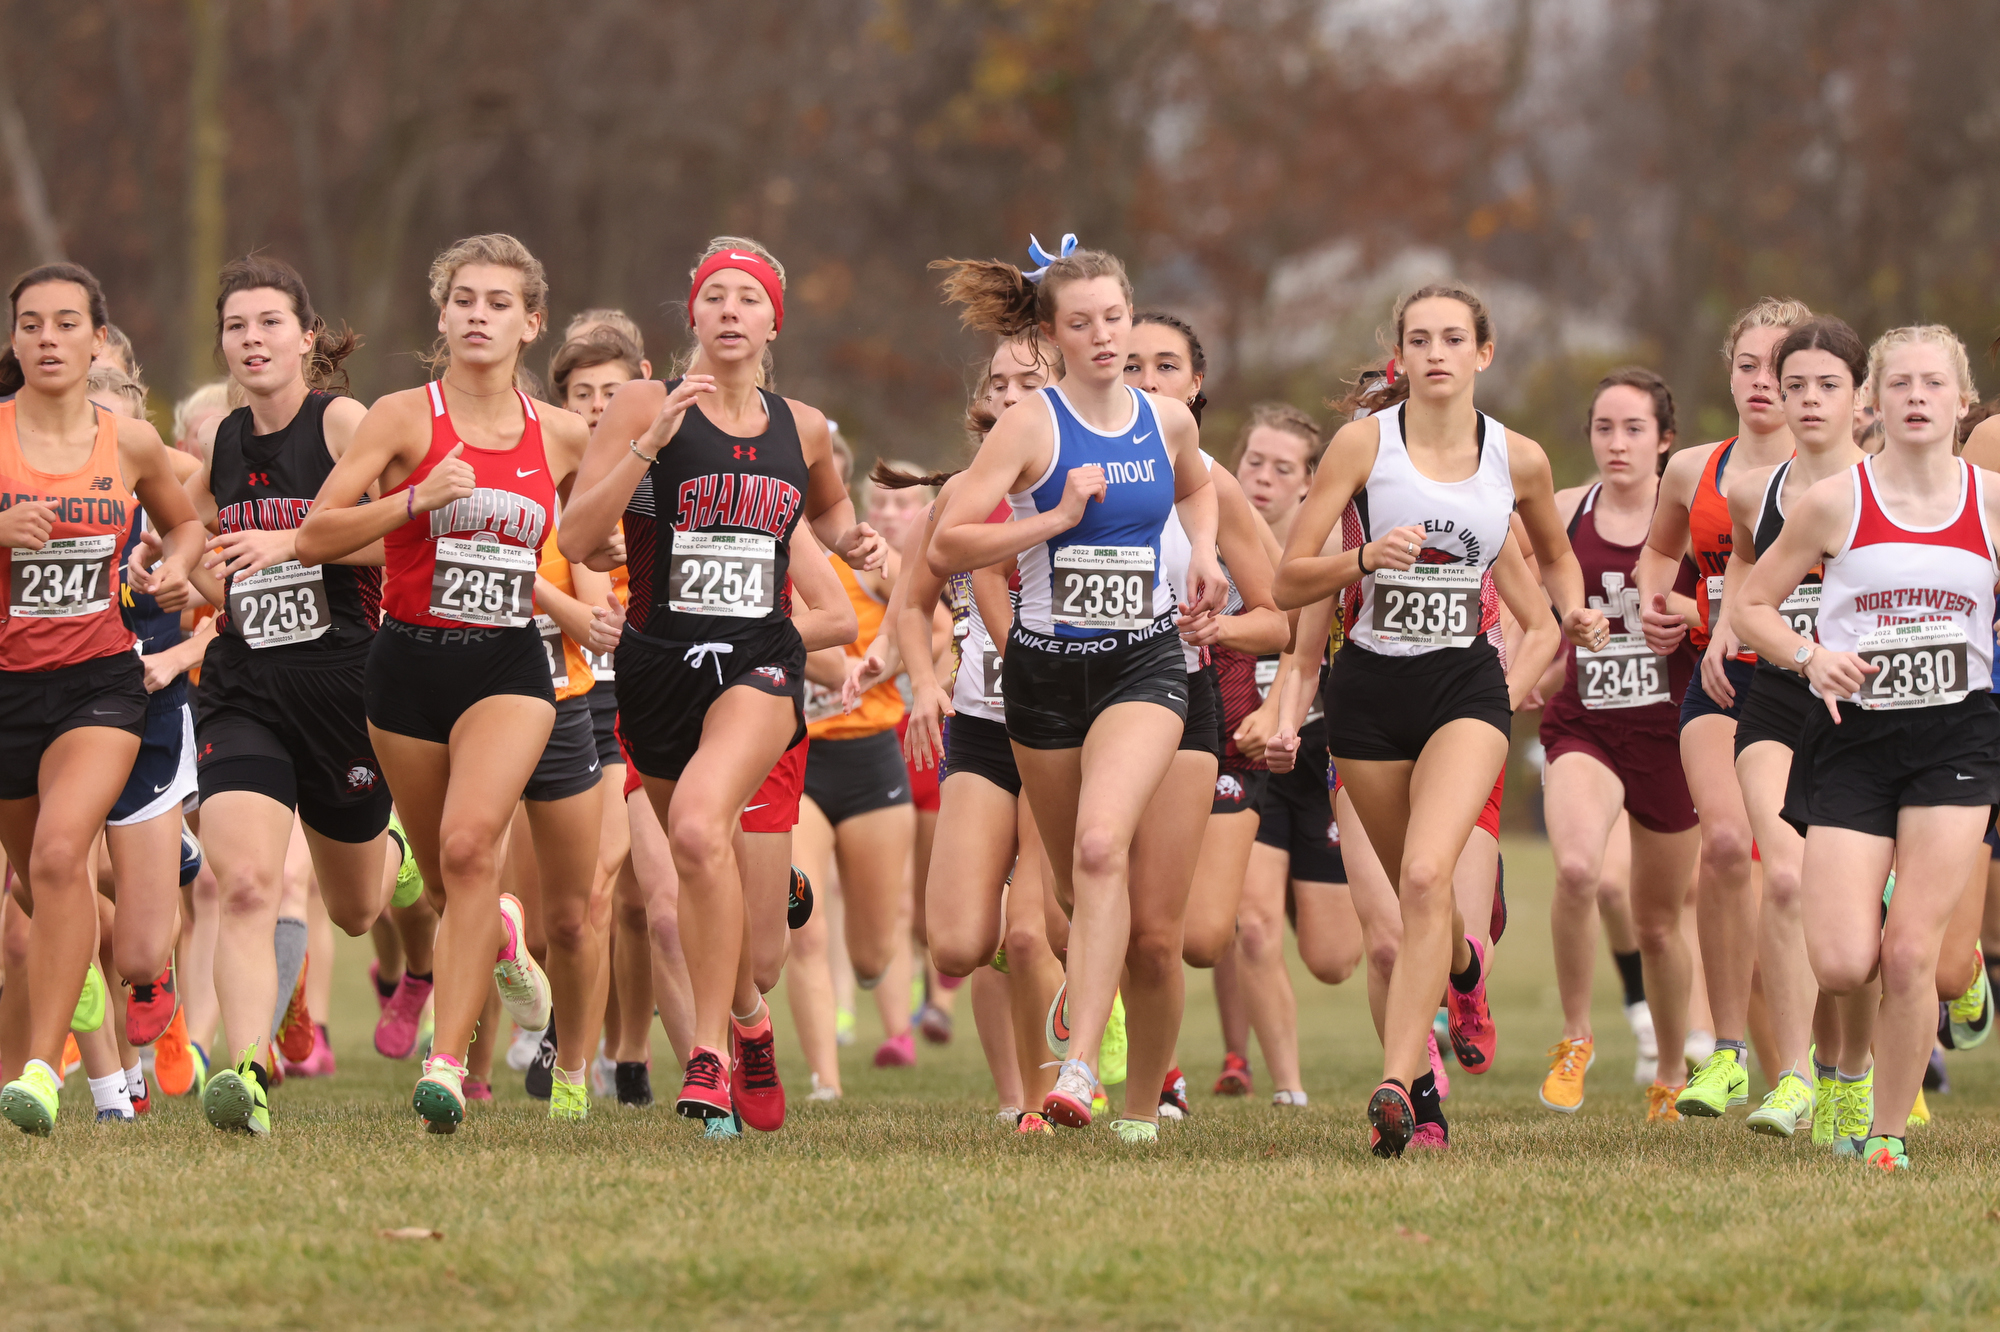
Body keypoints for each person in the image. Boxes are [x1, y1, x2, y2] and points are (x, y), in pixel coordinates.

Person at [560, 235, 883, 1126]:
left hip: (759, 663)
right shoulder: (639, 402)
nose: (732, 311)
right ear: (693, 315)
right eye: (716, 297)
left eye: (750, 298)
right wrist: (645, 449)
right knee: (704, 862)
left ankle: (704, 1055)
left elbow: (827, 502)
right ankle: (748, 1021)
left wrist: (853, 537)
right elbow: (581, 539)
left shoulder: (803, 425)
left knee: (699, 830)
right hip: (658, 668)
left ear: (774, 319)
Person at [1272, 282, 1596, 1156]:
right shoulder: (1360, 446)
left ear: (1484, 353)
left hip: (1466, 691)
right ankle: (1461, 971)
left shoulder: (1516, 459)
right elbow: (1285, 580)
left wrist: (1578, 614)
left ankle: (1401, 1086)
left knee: (1424, 878)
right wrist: (1362, 557)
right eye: (1421, 339)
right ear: (1402, 356)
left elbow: (1559, 565)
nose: (1439, 353)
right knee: (1421, 910)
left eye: (1455, 338)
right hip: (1368, 695)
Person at [926, 236, 1226, 1143]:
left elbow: (1198, 489)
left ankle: (1086, 1072)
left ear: (1131, 316)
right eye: (1084, 323)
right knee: (1066, 888)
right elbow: (948, 545)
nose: (1105, 337)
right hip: (1045, 674)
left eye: (1115, 318)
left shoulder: (1165, 421)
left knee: (1102, 850)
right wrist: (1053, 517)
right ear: (1055, 335)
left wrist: (1204, 553)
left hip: (1143, 663)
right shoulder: (1031, 428)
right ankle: (1091, 1029)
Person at [295, 234, 591, 1133]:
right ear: (441, 313)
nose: (478, 316)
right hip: (406, 665)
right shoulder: (401, 416)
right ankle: (497, 930)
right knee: (440, 883)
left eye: (499, 303)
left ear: (531, 323)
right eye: (463, 299)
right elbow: (316, 536)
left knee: (468, 849)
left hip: (508, 664)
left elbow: (607, 529)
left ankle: (446, 1065)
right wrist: (414, 500)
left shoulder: (563, 432)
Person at [1734, 324, 1997, 1172]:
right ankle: (1847, 1051)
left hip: (1956, 739)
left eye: (1934, 385)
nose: (1917, 398)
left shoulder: (1991, 501)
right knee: (1847, 960)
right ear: (1875, 405)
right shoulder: (1836, 501)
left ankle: (1884, 1135)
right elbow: (1753, 607)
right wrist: (1812, 657)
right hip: (1852, 739)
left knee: (1913, 950)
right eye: (1900, 386)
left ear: (1963, 403)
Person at [0, 262, 204, 1135]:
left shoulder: (128, 441)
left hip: (100, 685)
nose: (48, 338)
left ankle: (43, 1073)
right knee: (46, 896)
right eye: (32, 323)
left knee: (56, 858)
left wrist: (177, 568)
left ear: (96, 341)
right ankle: (108, 1083)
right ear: (13, 340)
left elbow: (186, 521)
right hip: (8, 689)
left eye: (66, 323)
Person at [1636, 297, 1810, 1120]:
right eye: (1748, 365)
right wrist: (1655, 605)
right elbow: (1660, 555)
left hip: (1818, 688)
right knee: (1730, 845)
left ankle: (1860, 1060)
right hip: (1721, 680)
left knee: (1811, 873)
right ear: (1728, 371)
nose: (1763, 382)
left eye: (1781, 368)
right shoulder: (1692, 469)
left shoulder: (1848, 473)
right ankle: (1731, 1053)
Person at [1123, 316, 1290, 1115]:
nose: (1148, 378)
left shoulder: (1214, 484)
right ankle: (1153, 1071)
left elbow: (1278, 618)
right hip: (1098, 705)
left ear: (1195, 386)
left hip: (1204, 715)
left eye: (1166, 366)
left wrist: (1215, 628)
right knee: (1109, 898)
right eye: (1132, 364)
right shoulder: (1070, 463)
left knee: (1197, 935)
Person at [1533, 369, 1699, 1116]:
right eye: (1604, 428)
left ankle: (1669, 1066)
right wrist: (1541, 654)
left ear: (1664, 439)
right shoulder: (1567, 512)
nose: (1617, 443)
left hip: (1670, 735)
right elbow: (1521, 600)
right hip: (1585, 724)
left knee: (1659, 922)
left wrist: (1687, 614)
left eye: (1634, 429)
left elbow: (1735, 605)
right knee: (1575, 869)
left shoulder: (1697, 517)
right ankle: (1575, 1037)